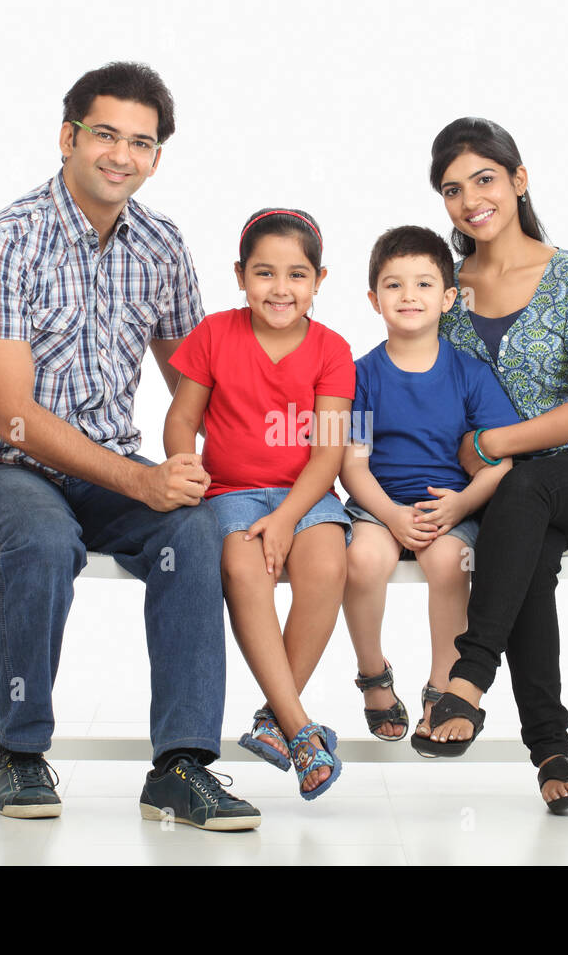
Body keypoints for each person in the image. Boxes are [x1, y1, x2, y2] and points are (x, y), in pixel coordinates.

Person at [0, 62, 261, 831]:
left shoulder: (161, 245)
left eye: (140, 142)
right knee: (44, 538)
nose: (122, 154)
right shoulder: (0, 242)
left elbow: (199, 377)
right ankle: (20, 752)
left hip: (112, 468)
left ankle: (182, 766)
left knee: (197, 528)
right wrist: (139, 480)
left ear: (156, 158)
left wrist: (224, 469)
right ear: (68, 138)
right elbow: (13, 415)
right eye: (105, 134)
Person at [412, 117, 568, 814]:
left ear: (519, 181)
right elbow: (434, 397)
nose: (470, 201)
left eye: (484, 180)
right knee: (524, 554)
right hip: (510, 496)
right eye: (452, 189)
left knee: (527, 490)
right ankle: (553, 754)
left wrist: (492, 446)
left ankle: (469, 674)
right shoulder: (447, 293)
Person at [164, 208, 355, 800]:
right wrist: (184, 468)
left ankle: (276, 722)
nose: (280, 288)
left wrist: (287, 517)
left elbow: (328, 455)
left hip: (308, 496)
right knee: (246, 572)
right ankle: (298, 730)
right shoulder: (215, 334)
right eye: (265, 273)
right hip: (228, 494)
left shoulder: (332, 349)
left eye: (297, 275)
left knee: (326, 567)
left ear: (319, 281)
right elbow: (182, 419)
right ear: (241, 276)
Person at [338, 225, 521, 743]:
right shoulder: (358, 375)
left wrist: (461, 505)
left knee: (448, 563)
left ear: (448, 298)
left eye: (423, 284)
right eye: (394, 285)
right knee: (363, 560)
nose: (409, 296)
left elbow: (499, 463)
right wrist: (392, 515)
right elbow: (350, 466)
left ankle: (443, 686)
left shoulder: (471, 373)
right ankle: (373, 674)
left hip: (449, 509)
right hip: (379, 505)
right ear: (374, 300)